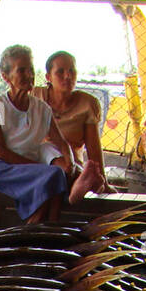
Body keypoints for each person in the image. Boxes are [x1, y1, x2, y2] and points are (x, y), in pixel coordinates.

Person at [0, 44, 73, 224]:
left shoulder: (42, 109)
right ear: (5, 76)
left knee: (56, 175)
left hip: (29, 169)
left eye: (30, 69)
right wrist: (39, 167)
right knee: (52, 176)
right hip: (1, 168)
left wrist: (70, 162)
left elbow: (61, 142)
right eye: (21, 70)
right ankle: (42, 228)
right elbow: (0, 152)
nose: (29, 75)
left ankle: (43, 228)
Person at [32, 50, 106, 204]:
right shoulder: (34, 96)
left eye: (72, 71)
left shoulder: (87, 104)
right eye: (60, 72)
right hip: (39, 164)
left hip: (72, 167)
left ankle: (83, 182)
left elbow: (93, 149)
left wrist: (103, 179)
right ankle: (78, 188)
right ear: (48, 77)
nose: (67, 76)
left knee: (70, 170)